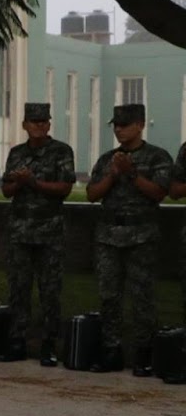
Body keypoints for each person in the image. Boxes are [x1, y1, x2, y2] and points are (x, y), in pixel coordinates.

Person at [86, 103, 171, 375]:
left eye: (125, 125)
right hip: (109, 237)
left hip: (141, 238)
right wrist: (113, 174)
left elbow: (159, 193)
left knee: (142, 297)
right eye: (117, 126)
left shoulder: (157, 157)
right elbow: (92, 194)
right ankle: (112, 351)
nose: (120, 130)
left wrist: (132, 173)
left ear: (141, 125)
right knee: (109, 296)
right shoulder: (107, 159)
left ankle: (144, 354)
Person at [1, 102, 75, 364]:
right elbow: (6, 191)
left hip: (49, 230)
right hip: (20, 231)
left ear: (49, 124)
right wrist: (19, 183)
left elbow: (64, 188)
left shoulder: (61, 152)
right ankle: (17, 341)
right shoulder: (16, 153)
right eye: (34, 122)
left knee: (50, 289)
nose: (39, 126)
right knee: (19, 288)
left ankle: (49, 344)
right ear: (24, 125)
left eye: (43, 122)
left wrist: (34, 182)